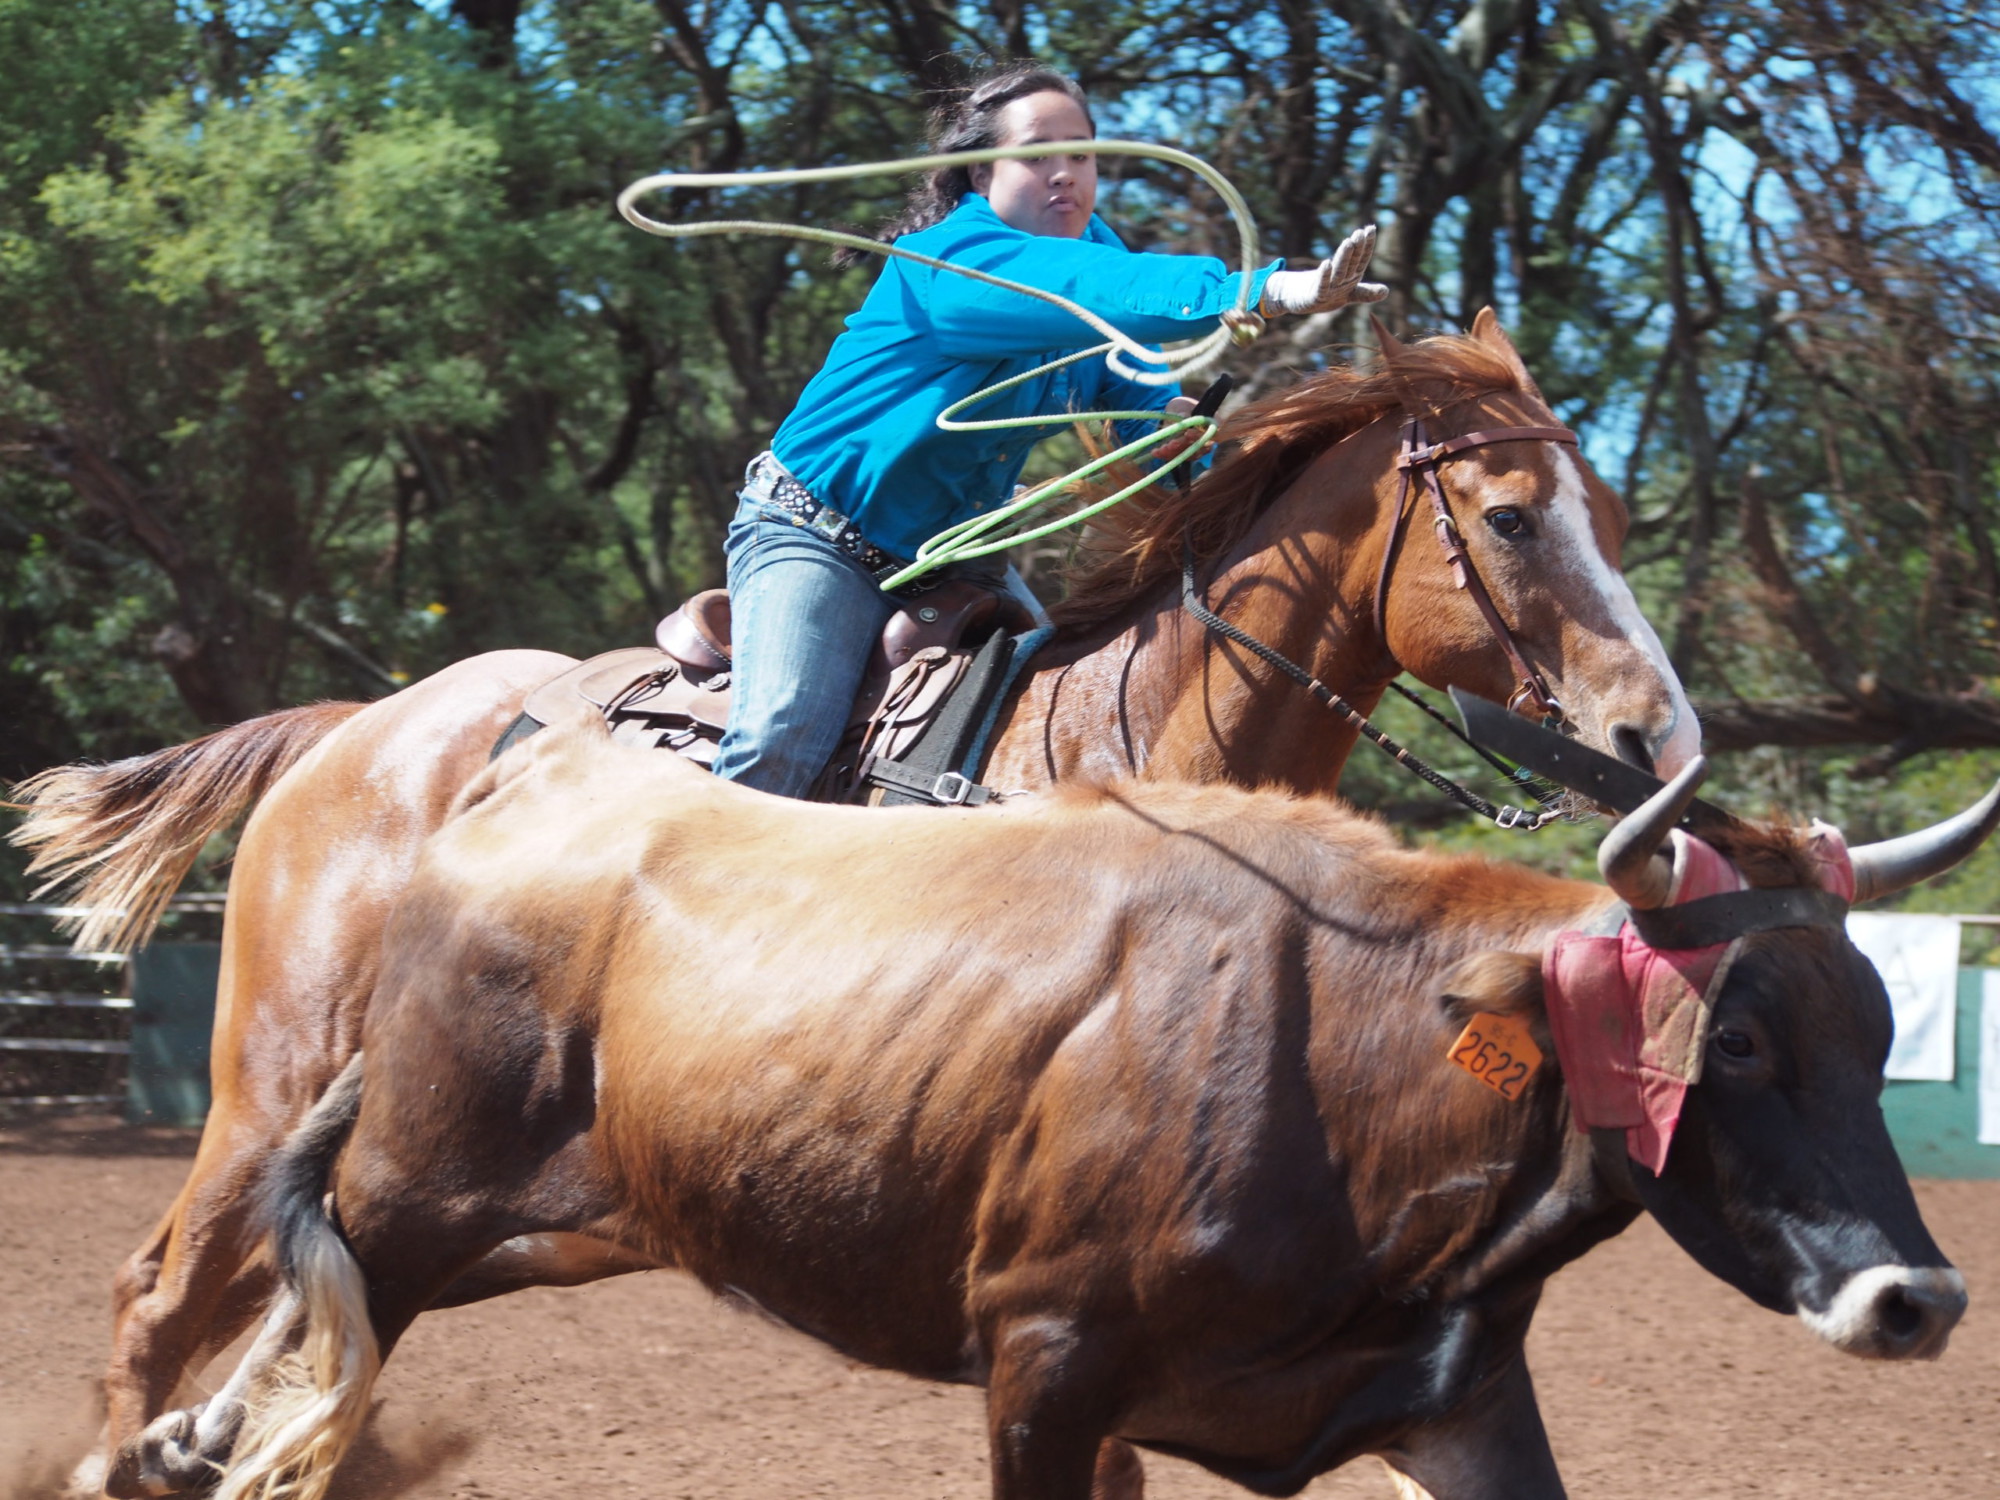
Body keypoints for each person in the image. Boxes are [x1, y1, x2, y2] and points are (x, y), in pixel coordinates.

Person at [713, 63, 1386, 797]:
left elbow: (1124, 371)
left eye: (1083, 152)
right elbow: (1090, 294)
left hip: (957, 560)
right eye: (1037, 155)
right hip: (818, 537)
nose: (1065, 174)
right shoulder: (949, 263)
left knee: (1062, 717)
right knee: (781, 732)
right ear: (979, 171)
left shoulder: (1094, 250)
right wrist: (1265, 288)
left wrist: (1162, 426)